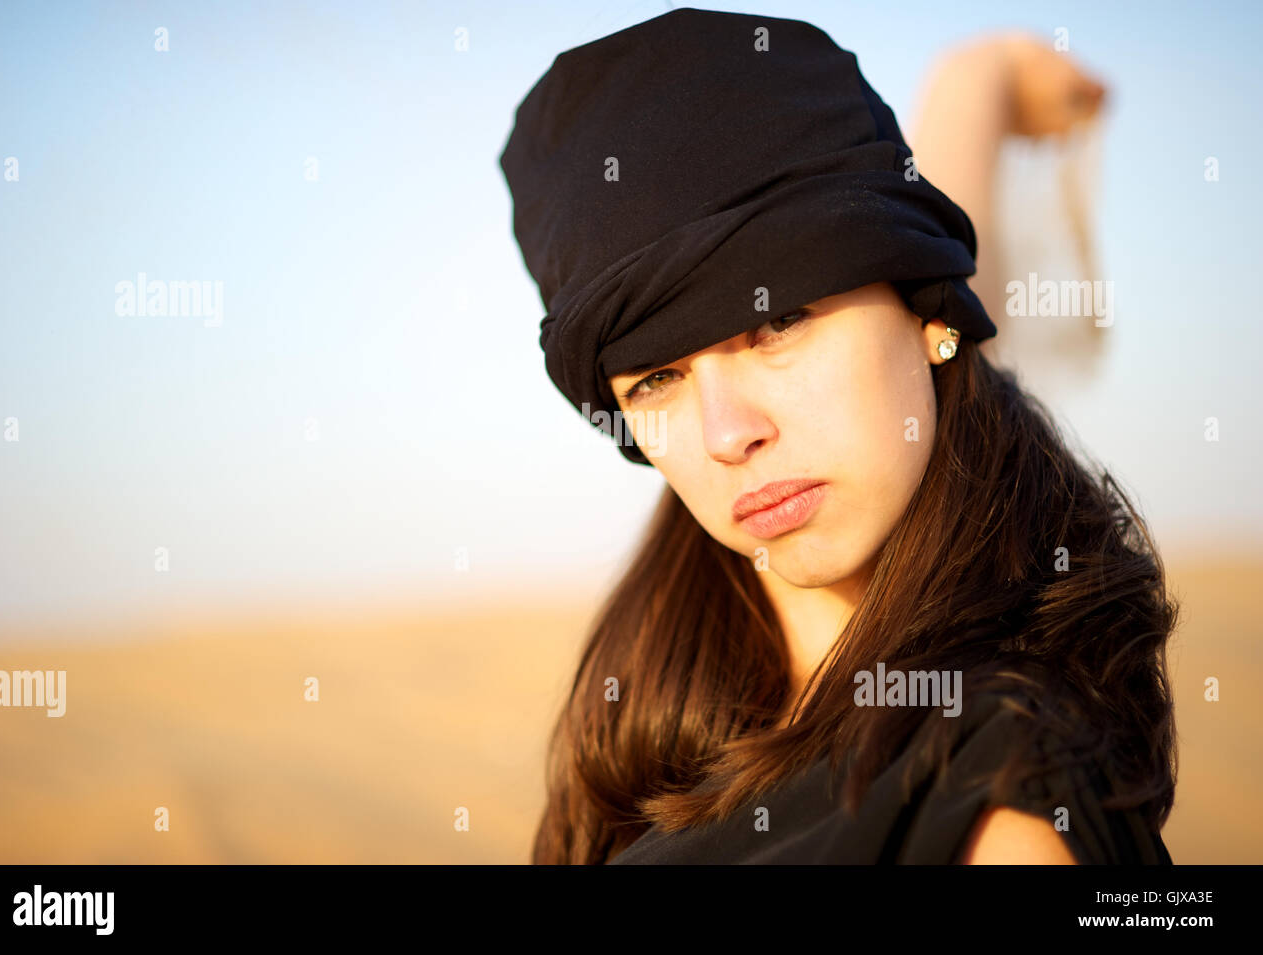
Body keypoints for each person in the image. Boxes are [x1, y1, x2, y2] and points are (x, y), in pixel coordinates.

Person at [498, 7, 1176, 865]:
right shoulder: (650, 731)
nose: (726, 434)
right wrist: (982, 80)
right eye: (658, 378)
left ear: (926, 303)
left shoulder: (1002, 806)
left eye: (777, 322)